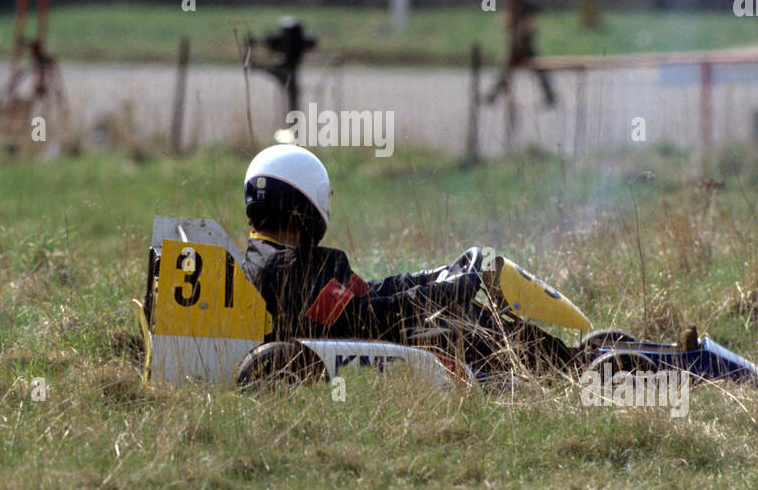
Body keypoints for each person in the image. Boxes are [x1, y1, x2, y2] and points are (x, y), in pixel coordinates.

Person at [240, 144, 566, 371]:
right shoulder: (286, 268)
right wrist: (441, 294)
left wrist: (431, 277)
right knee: (459, 319)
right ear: (306, 202)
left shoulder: (274, 258)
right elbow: (366, 317)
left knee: (452, 310)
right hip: (353, 351)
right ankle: (568, 369)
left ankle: (568, 361)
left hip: (347, 341)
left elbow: (366, 292)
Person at [484, 0, 557, 107]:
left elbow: (533, 10)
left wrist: (522, 26)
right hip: (519, 36)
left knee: (516, 66)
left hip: (524, 37)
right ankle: (492, 96)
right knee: (512, 66)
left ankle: (492, 97)